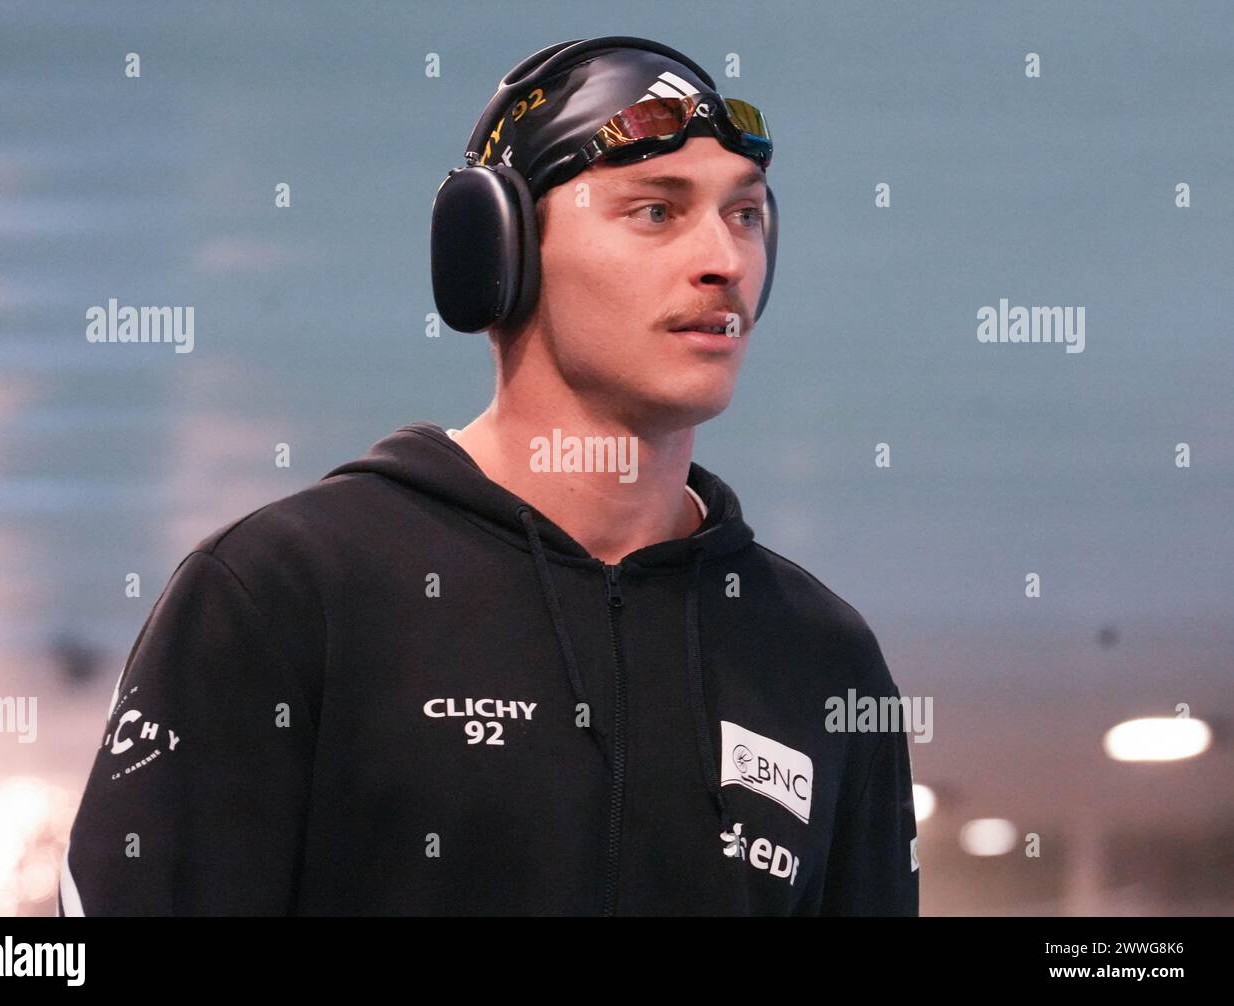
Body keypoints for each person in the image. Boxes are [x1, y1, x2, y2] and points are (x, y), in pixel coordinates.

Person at [59, 35, 919, 916]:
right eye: (656, 211)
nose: (726, 262)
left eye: (744, 215)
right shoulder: (290, 590)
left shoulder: (819, 657)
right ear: (500, 253)